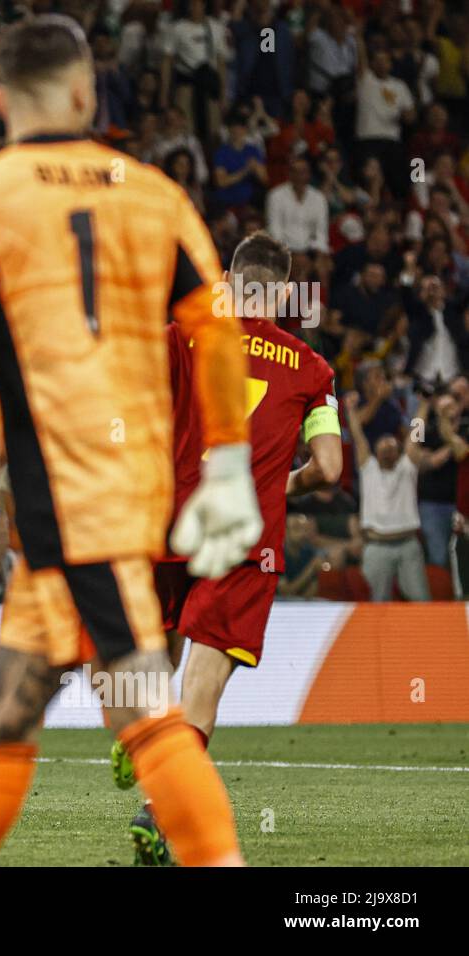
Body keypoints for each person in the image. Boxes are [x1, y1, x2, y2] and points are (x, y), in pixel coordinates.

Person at [0, 15, 257, 867]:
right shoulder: (155, 193)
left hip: (68, 496)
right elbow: (217, 334)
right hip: (112, 498)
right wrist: (230, 461)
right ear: (84, 91)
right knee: (7, 714)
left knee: (143, 705)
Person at [115, 231, 343, 865]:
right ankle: (158, 811)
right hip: (245, 539)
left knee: (155, 658)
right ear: (282, 291)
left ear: (229, 278)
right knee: (205, 684)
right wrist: (279, 482)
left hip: (173, 524)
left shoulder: (183, 334)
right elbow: (329, 466)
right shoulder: (313, 370)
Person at [345, 391, 432, 601]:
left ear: (399, 451)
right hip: (376, 545)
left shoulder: (406, 468)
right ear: (375, 452)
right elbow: (357, 436)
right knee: (376, 605)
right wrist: (349, 410)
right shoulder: (369, 469)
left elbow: (416, 437)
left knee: (422, 603)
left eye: (391, 448)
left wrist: (424, 406)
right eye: (383, 448)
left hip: (407, 544)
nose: (386, 451)